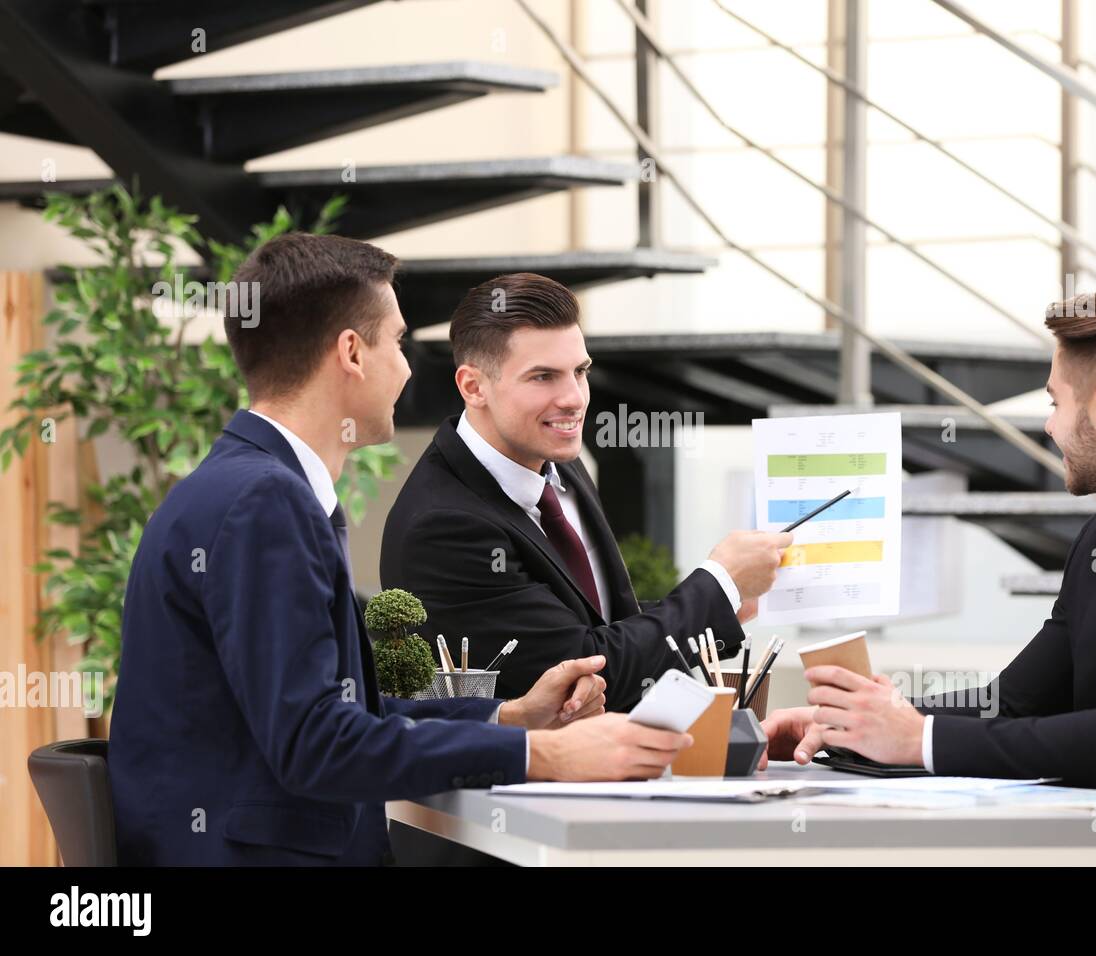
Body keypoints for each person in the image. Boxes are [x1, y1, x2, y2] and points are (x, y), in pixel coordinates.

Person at [109, 234, 692, 866]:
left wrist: (510, 718)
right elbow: (317, 745)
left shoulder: (241, 485)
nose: (410, 368)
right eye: (398, 341)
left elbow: (339, 711)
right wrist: (543, 755)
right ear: (352, 353)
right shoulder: (263, 504)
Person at [762, 286, 1096, 866]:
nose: (1047, 427)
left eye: (1052, 402)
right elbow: (1016, 703)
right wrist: (855, 724)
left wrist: (915, 738)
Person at [380, 272, 791, 710]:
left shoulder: (564, 465)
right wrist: (718, 586)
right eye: (543, 377)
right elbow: (589, 668)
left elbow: (593, 623)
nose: (574, 398)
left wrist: (725, 605)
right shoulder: (443, 527)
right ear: (473, 386)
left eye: (580, 371)